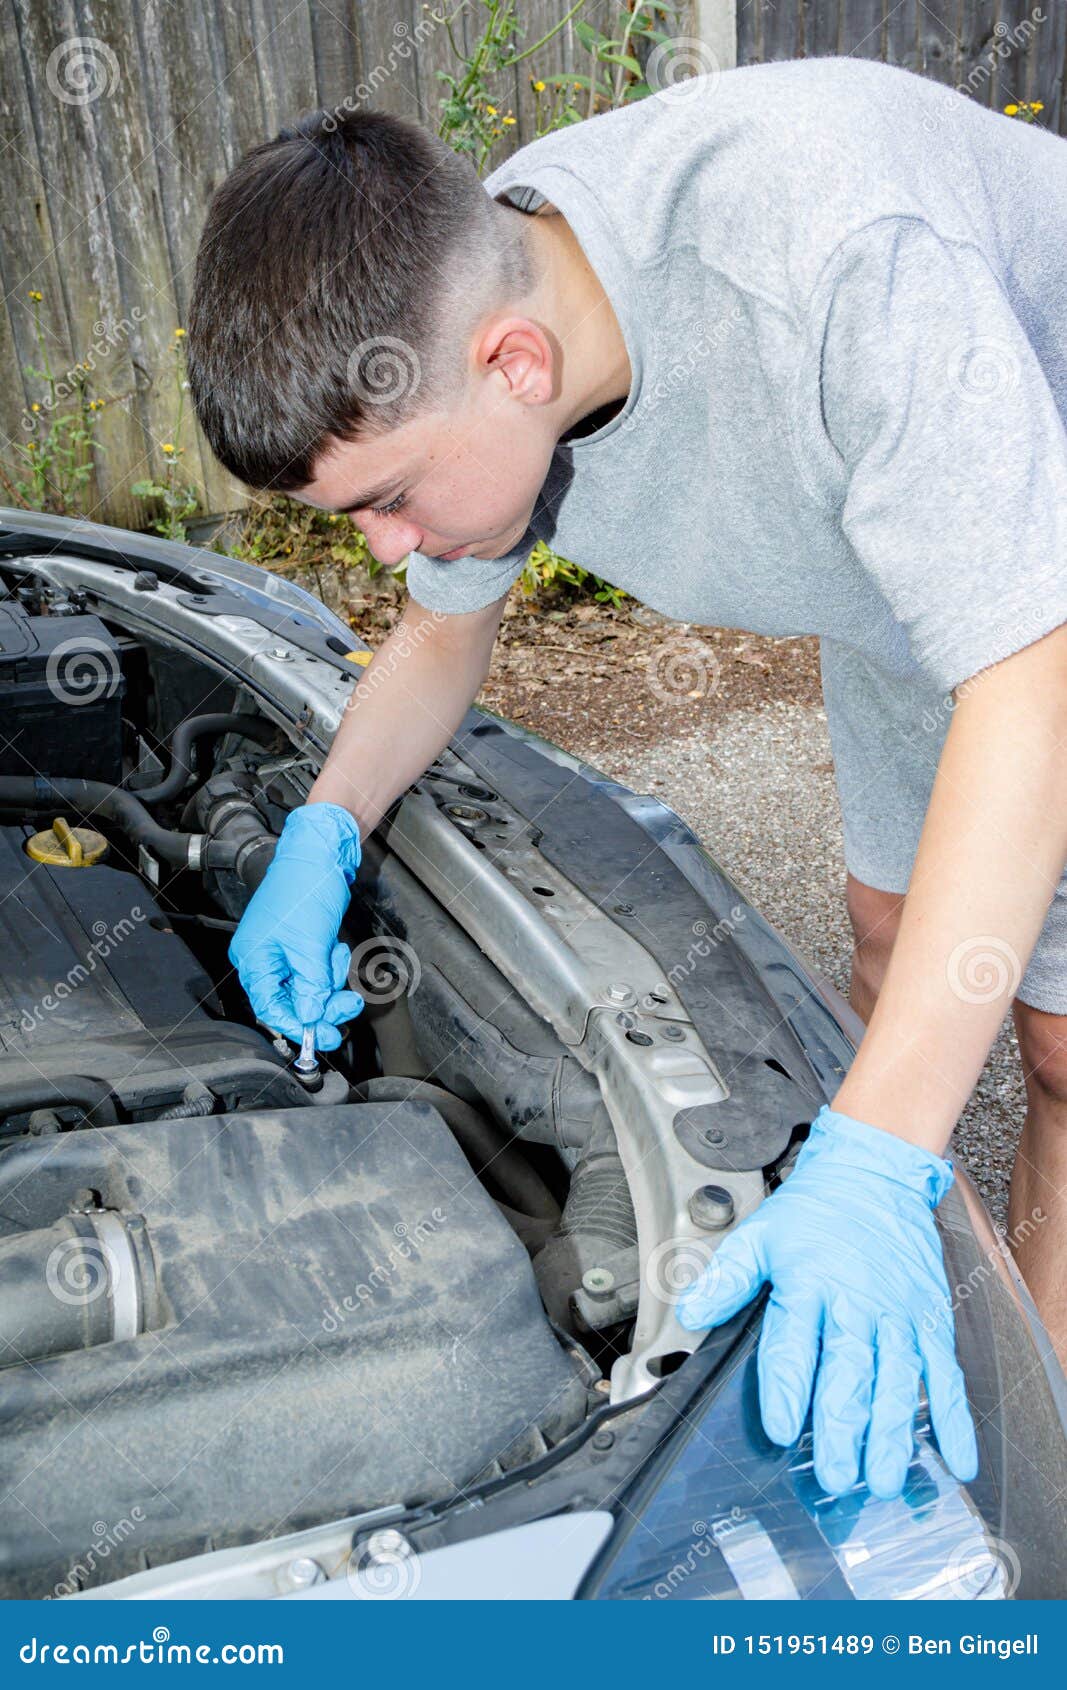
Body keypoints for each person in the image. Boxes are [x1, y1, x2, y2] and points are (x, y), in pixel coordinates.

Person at [187, 53, 1067, 1502]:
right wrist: (324, 828)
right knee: (896, 952)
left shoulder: (839, 263)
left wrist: (876, 1156)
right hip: (912, 573)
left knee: (1051, 1043)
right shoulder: (486, 305)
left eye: (388, 502)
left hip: (1037, 561)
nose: (387, 548)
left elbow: (1029, 688)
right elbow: (436, 638)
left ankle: (1041, 1451)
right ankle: (932, 1352)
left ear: (515, 368)